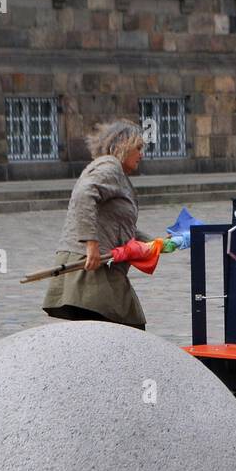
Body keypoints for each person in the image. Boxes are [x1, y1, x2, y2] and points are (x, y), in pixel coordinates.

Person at [42, 119, 155, 328]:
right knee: (123, 330)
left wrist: (154, 243)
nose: (142, 154)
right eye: (138, 148)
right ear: (121, 146)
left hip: (102, 267)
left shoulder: (116, 172)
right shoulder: (109, 167)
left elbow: (118, 223)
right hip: (90, 268)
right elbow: (84, 194)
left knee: (123, 330)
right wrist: (91, 244)